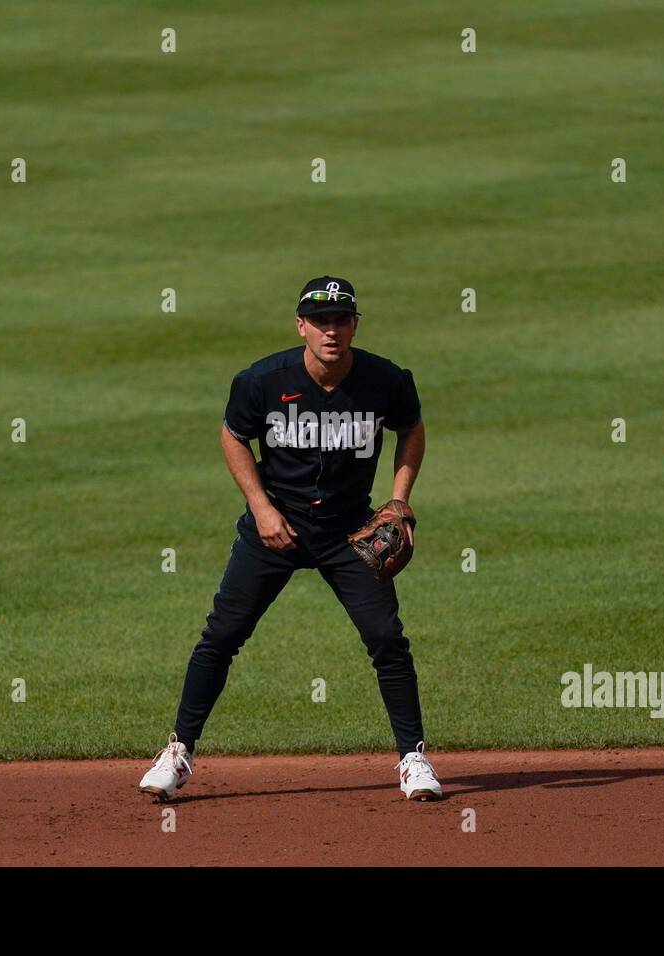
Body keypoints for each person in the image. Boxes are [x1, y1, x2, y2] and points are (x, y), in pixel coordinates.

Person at [139, 276, 443, 802]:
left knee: (387, 641)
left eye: (341, 320)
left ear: (354, 325)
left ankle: (413, 758)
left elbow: (411, 427)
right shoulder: (262, 380)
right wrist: (261, 508)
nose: (331, 330)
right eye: (320, 321)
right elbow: (234, 436)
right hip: (274, 528)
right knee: (223, 635)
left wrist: (398, 499)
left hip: (350, 533)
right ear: (300, 325)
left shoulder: (384, 380)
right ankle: (178, 750)